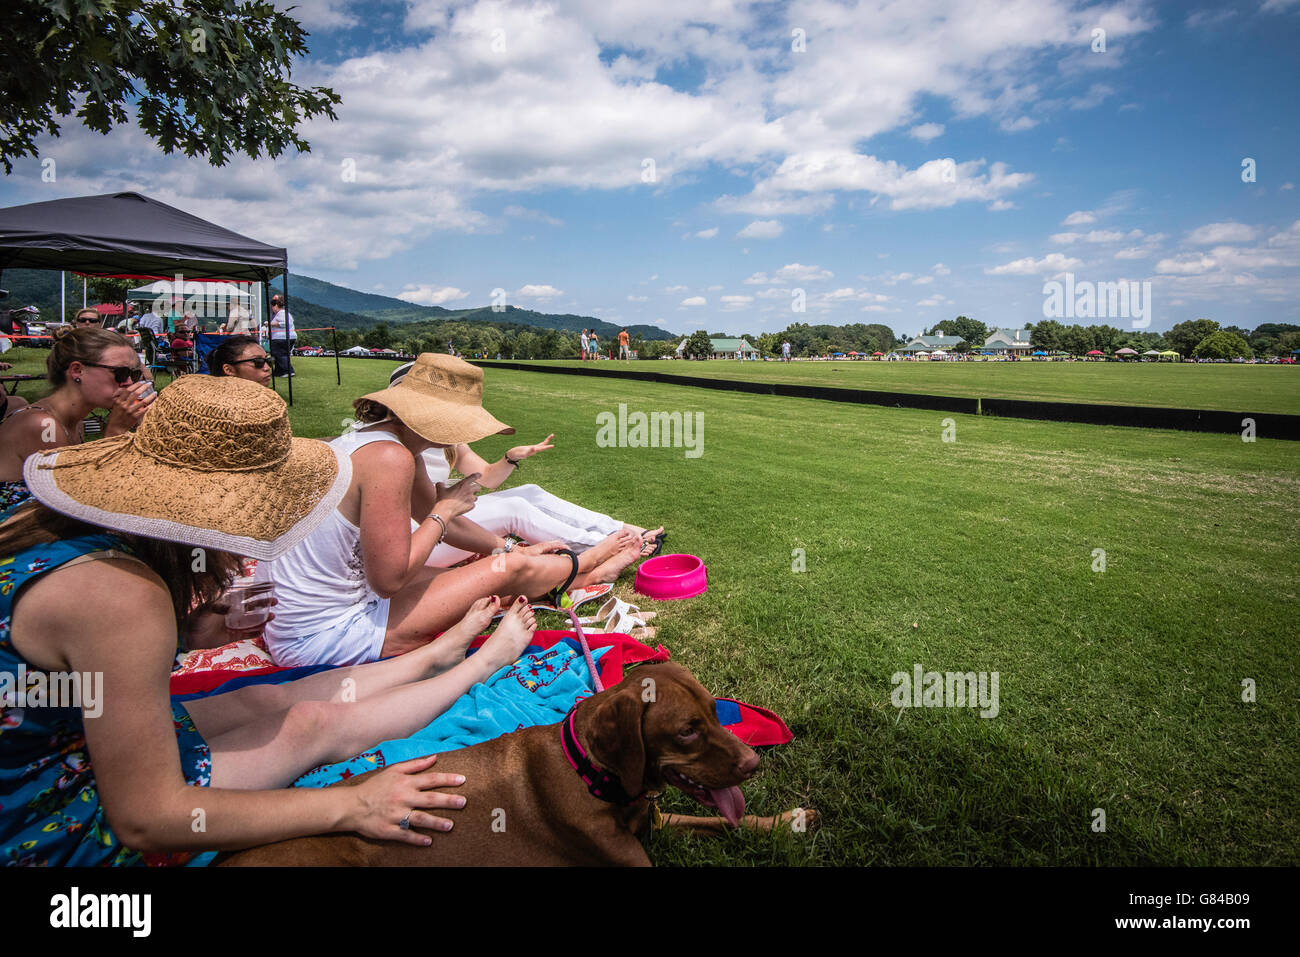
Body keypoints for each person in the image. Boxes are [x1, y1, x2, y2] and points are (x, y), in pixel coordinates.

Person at [1, 374, 541, 866]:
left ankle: (434, 656)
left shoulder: (41, 529)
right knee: (309, 725)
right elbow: (148, 818)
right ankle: (476, 665)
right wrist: (350, 805)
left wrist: (191, 633)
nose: (243, 553)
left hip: (54, 742)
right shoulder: (121, 597)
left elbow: (75, 658)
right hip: (44, 815)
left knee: (259, 699)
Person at [259, 354, 632, 668]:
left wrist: (505, 547)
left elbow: (439, 527)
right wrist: (445, 510)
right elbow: (389, 579)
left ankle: (565, 572)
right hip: (324, 635)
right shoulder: (390, 458)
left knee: (496, 566)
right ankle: (583, 569)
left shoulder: (380, 442)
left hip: (304, 619)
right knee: (504, 572)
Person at [384, 363, 663, 565]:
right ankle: (601, 547)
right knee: (514, 508)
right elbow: (426, 516)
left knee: (529, 491)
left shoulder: (443, 443)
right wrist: (448, 505)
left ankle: (621, 529)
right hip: (419, 542)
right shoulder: (394, 453)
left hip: (437, 524)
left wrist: (510, 458)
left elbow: (487, 479)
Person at [0, 327, 154, 513]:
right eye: (120, 373)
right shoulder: (43, 426)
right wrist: (115, 433)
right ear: (77, 371)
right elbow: (79, 502)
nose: (129, 382)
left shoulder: (74, 421)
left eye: (134, 374)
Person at [268, 294, 296, 377]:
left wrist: (273, 324)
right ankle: (278, 372)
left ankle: (288, 371)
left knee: (280, 354)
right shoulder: (284, 313)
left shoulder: (281, 313)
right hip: (285, 337)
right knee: (278, 354)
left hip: (281, 338)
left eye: (273, 306)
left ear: (276, 305)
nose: (272, 308)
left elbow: (286, 323)